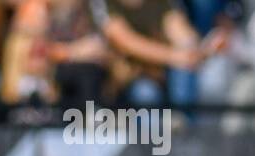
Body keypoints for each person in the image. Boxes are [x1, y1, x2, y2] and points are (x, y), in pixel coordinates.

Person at [90, 0, 225, 104]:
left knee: (186, 72)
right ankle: (154, 138)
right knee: (145, 93)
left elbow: (180, 31)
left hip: (162, 74)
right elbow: (124, 41)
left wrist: (200, 49)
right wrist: (174, 56)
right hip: (124, 80)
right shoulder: (104, 3)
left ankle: (185, 131)